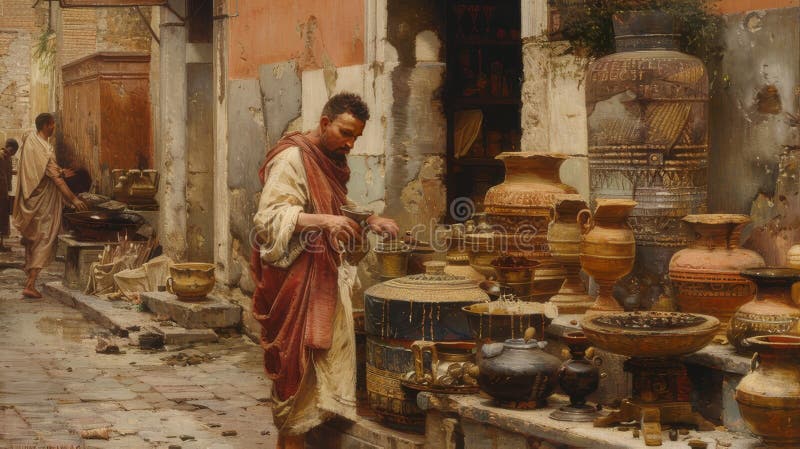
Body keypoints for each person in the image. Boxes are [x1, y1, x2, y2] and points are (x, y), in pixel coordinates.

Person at [251, 93, 399, 449]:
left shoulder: (328, 160)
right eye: (345, 133)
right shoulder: (292, 158)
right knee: (294, 367)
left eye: (356, 138)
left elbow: (334, 203)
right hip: (294, 279)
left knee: (321, 362)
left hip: (322, 276)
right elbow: (268, 219)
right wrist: (325, 222)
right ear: (324, 123)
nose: (350, 144)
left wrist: (370, 218)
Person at [13, 113, 88, 298]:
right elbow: (56, 180)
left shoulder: (31, 139)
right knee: (44, 241)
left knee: (33, 240)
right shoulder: (44, 149)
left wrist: (59, 170)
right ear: (47, 125)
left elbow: (43, 171)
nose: (54, 128)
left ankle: (28, 275)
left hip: (30, 199)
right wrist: (74, 199)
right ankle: (30, 284)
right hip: (42, 204)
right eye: (53, 124)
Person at [0, 139, 19, 251]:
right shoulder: (1, 157)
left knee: (3, 218)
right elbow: (2, 177)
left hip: (3, 193)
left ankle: (1, 244)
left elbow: (7, 175)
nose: (13, 154)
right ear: (10, 148)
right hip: (1, 193)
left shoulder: (7, 158)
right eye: (13, 152)